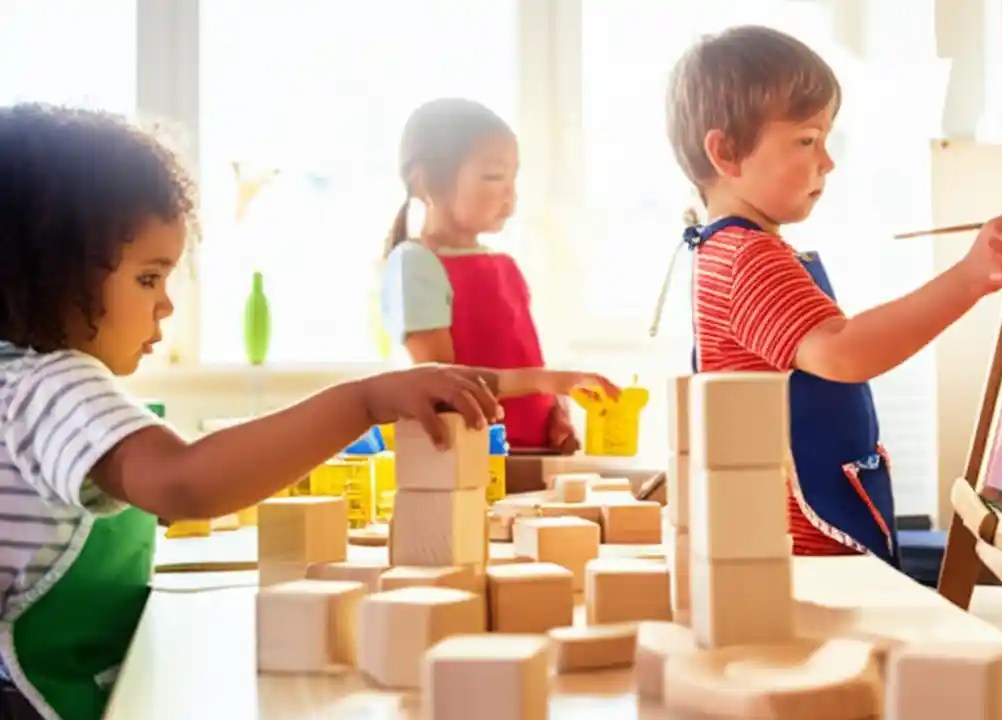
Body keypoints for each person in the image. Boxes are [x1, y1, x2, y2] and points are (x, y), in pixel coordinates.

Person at [0, 103, 617, 719]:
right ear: (47, 268)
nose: (165, 305)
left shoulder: (28, 382)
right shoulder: (49, 384)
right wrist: (366, 400)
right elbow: (184, 481)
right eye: (147, 279)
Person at [664, 26, 1002, 562]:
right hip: (797, 540)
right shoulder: (747, 257)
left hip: (791, 530)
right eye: (806, 140)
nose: (828, 161)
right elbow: (843, 352)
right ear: (726, 152)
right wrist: (971, 276)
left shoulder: (731, 250)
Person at [381, 98, 576, 454]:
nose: (509, 192)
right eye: (493, 176)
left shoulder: (506, 267)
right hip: (466, 458)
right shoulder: (416, 264)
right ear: (424, 181)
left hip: (529, 457)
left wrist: (554, 407)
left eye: (513, 178)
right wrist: (545, 381)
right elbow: (443, 382)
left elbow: (523, 359)